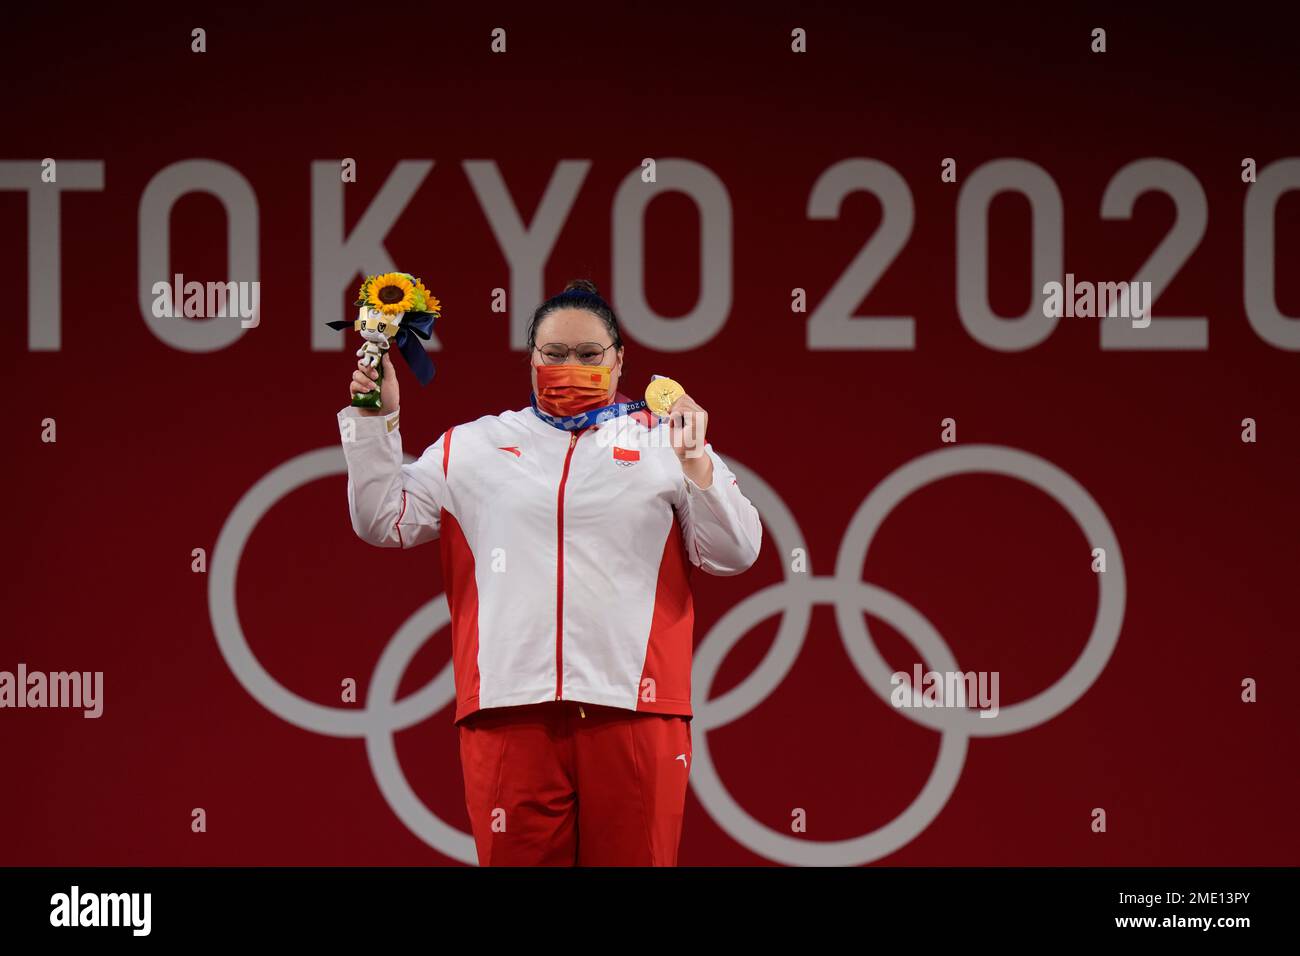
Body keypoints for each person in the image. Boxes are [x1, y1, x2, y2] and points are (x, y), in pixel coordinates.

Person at [336, 279, 763, 865]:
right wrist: (376, 422)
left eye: (590, 356)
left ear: (619, 362)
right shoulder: (474, 446)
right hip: (509, 710)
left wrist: (695, 459)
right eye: (554, 355)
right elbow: (382, 519)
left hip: (636, 707)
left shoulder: (665, 442)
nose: (571, 368)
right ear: (531, 359)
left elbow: (734, 552)